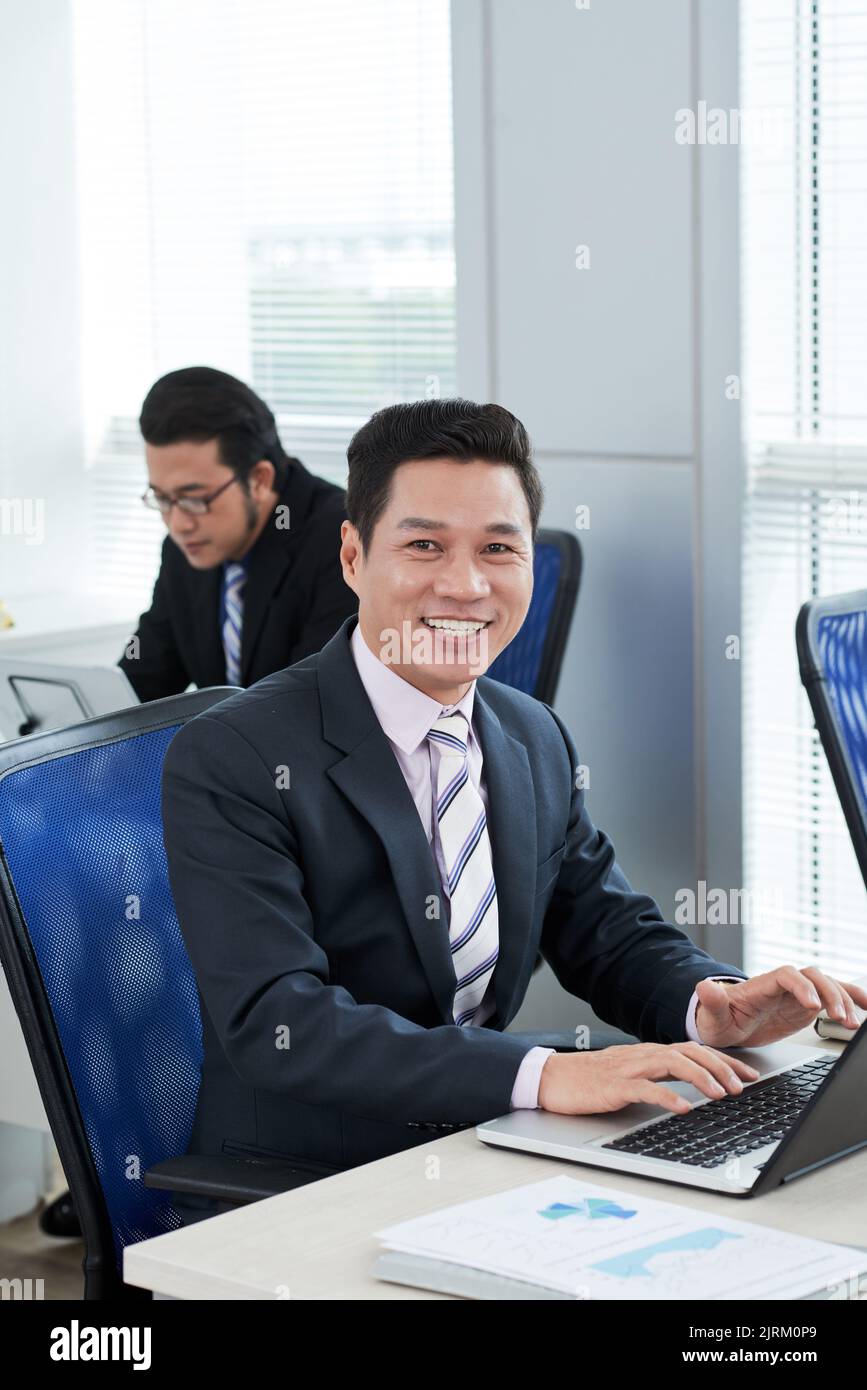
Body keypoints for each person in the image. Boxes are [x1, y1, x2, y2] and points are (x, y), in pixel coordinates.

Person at [160, 397, 867, 1224]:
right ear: (352, 557)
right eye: (423, 545)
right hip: (311, 1176)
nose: (464, 585)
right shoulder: (235, 756)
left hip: (485, 1141)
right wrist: (544, 1072)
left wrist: (705, 1002)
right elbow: (281, 1022)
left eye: (498, 549)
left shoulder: (529, 733)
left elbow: (601, 927)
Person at [118, 365, 358, 701]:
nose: (178, 524)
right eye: (162, 498)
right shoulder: (185, 548)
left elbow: (307, 707)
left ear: (259, 479)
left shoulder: (342, 544)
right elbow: (143, 679)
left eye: (194, 499)